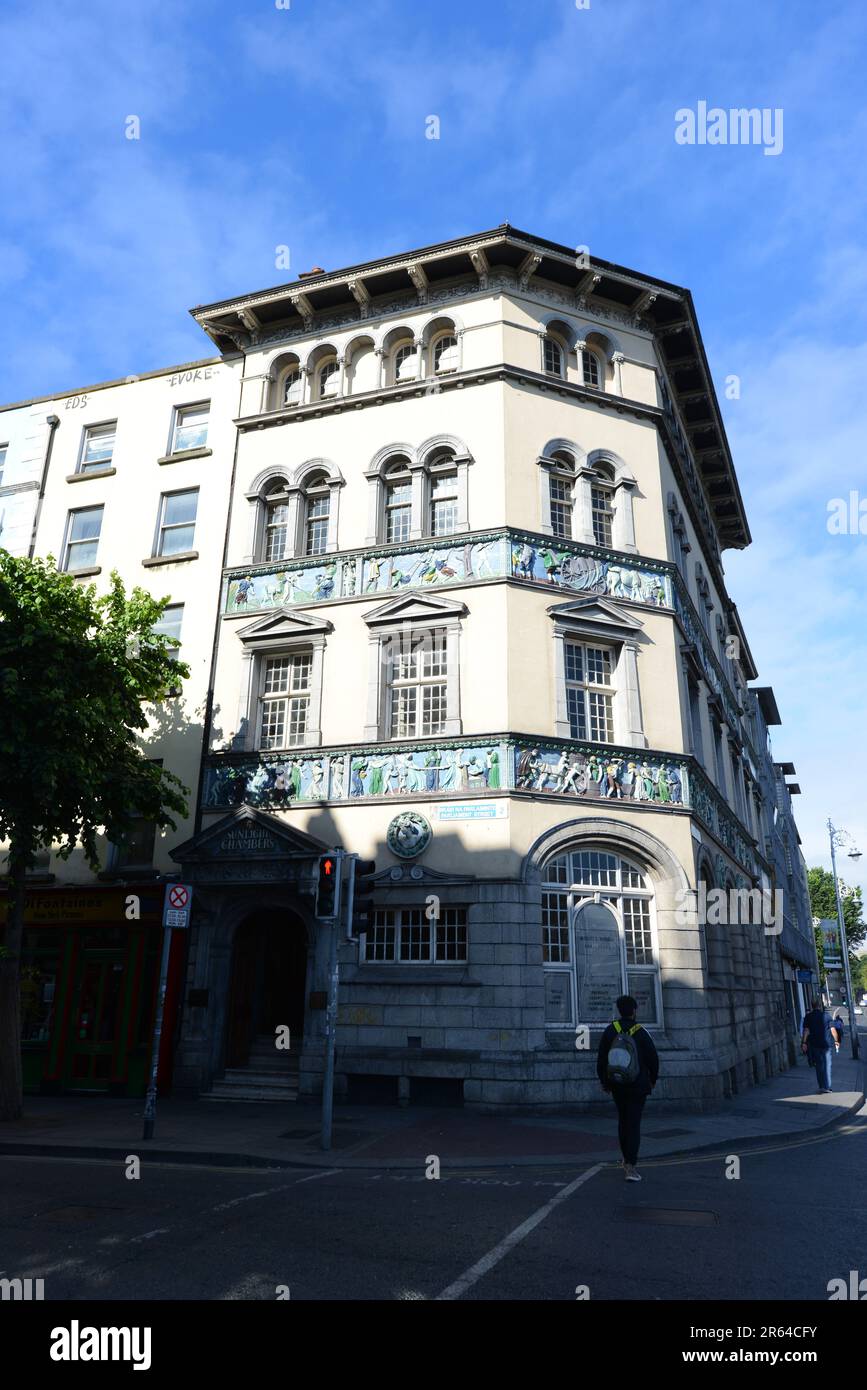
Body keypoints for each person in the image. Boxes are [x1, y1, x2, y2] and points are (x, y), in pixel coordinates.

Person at [597, 995, 659, 1182]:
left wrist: (605, 1082)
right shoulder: (641, 1032)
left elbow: (601, 1060)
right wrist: (652, 1080)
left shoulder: (610, 1030)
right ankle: (631, 1166)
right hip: (637, 1086)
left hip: (617, 1085)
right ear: (634, 1010)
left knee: (623, 1120)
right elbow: (653, 1059)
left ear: (618, 1010)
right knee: (633, 1123)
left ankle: (625, 1158)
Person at [801, 999, 841, 1092]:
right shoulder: (826, 1016)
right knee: (827, 1065)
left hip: (814, 1045)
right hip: (826, 1045)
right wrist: (836, 1041)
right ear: (820, 1006)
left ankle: (822, 1086)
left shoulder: (808, 1017)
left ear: (812, 1006)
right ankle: (827, 1087)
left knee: (819, 1066)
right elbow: (833, 1030)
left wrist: (804, 1042)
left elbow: (806, 1031)